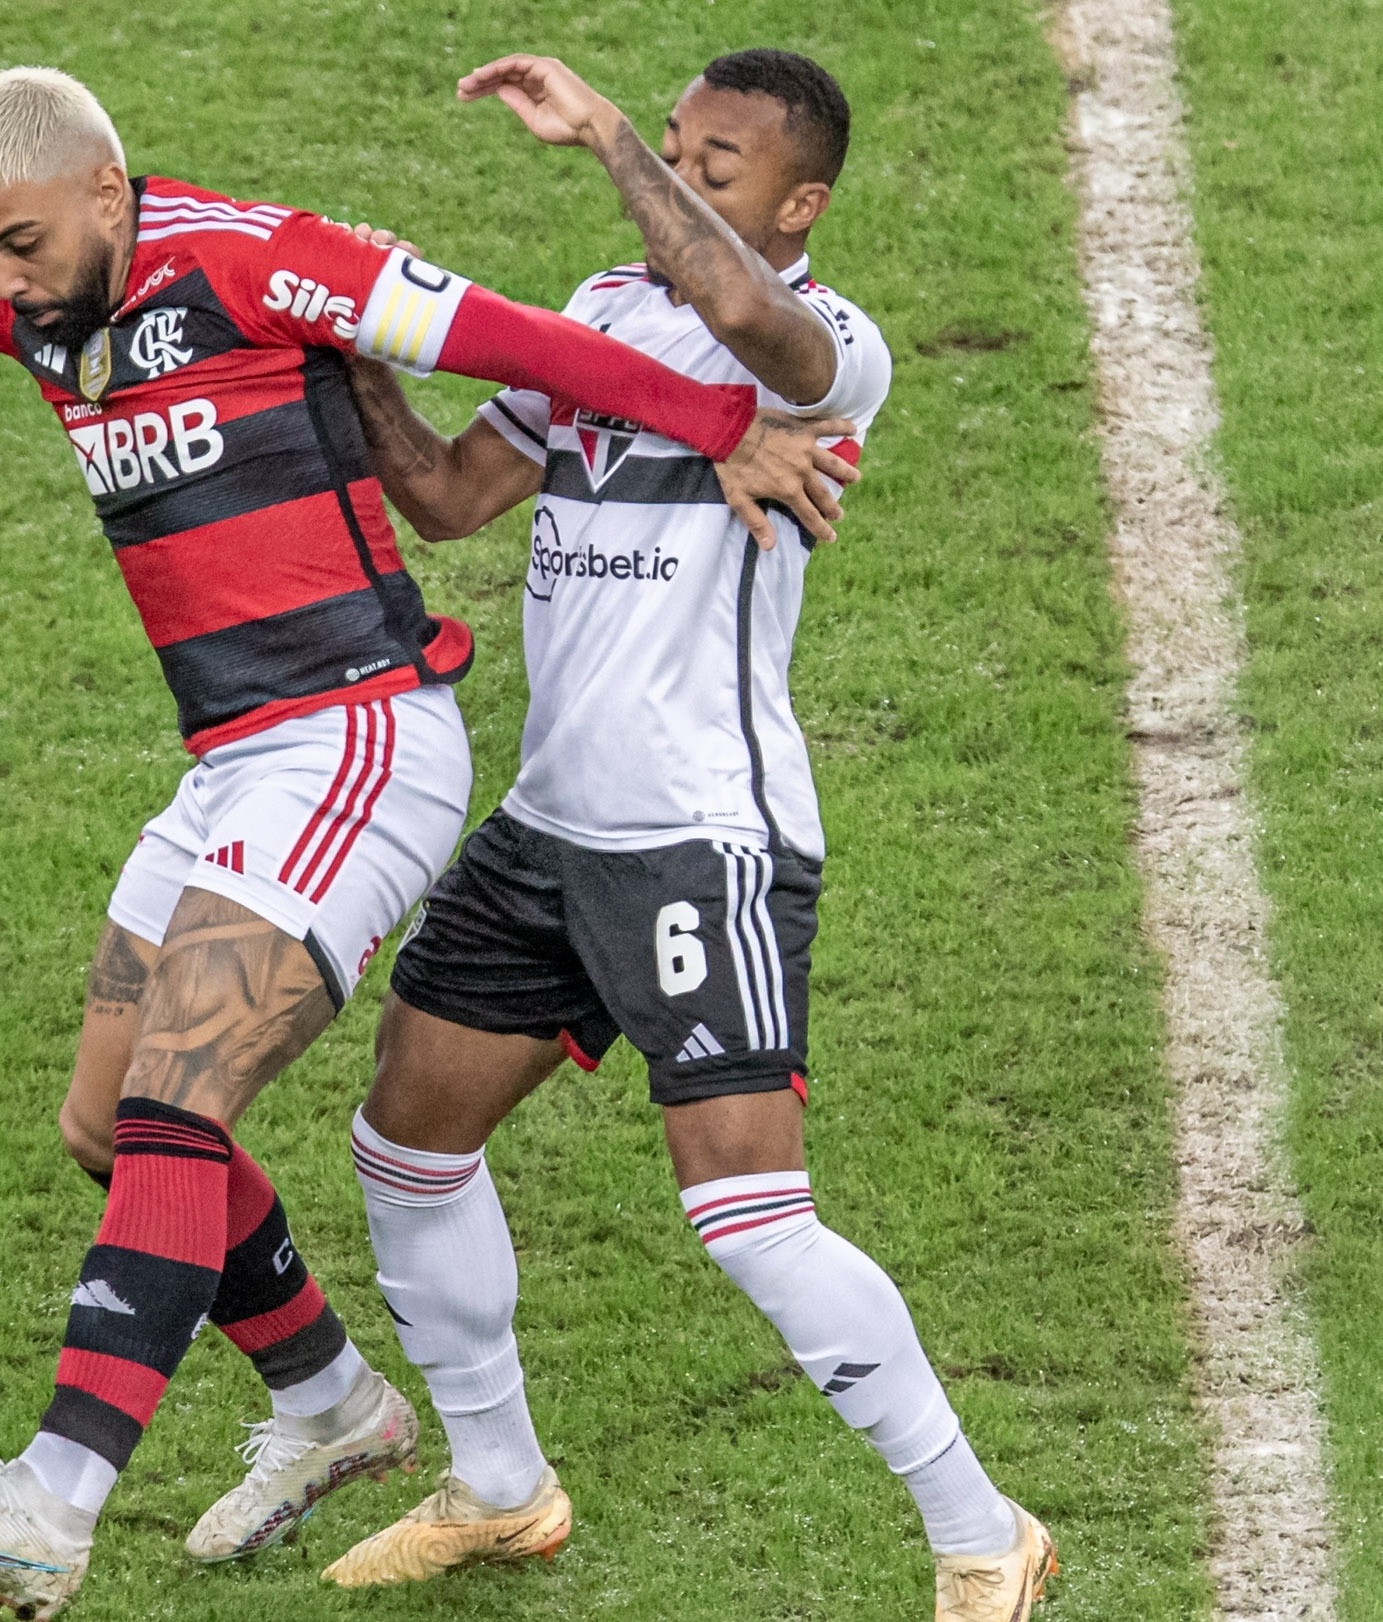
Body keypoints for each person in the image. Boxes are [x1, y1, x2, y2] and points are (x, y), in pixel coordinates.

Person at [0, 65, 852, 1619]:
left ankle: (53, 1493)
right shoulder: (32, 296)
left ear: (106, 193)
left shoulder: (259, 261)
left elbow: (519, 341)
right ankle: (332, 1405)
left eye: (23, 245)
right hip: (231, 766)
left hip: (357, 739)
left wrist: (723, 423)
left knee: (185, 1093)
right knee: (112, 1119)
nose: (0, 284)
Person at [320, 52, 1056, 1622]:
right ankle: (498, 1486)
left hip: (699, 838)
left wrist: (596, 140)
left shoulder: (825, 356)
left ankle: (982, 1527)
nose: (672, 180)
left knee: (745, 1212)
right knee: (405, 1137)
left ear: (801, 204)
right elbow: (451, 496)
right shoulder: (594, 324)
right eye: (668, 149)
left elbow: (737, 319)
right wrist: (341, 348)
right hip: (549, 825)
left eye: (710, 167)